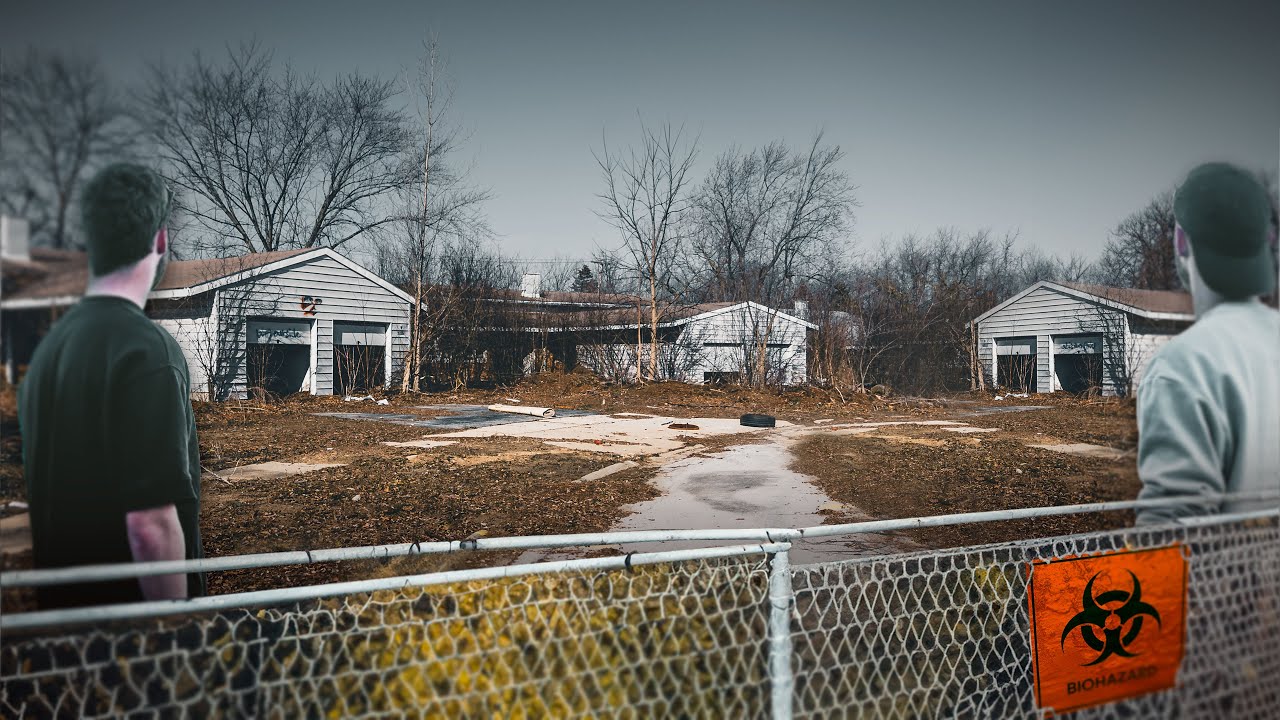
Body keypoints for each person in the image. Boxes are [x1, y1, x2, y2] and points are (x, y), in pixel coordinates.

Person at [18, 163, 205, 607]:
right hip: (131, 639)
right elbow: (151, 523)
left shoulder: (50, 352)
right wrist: (171, 635)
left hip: (65, 626)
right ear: (160, 240)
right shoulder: (146, 351)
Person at [1134, 162, 1280, 525]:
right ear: (1267, 242)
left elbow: (1170, 534)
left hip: (1232, 579)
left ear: (1183, 241)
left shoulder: (1183, 367)